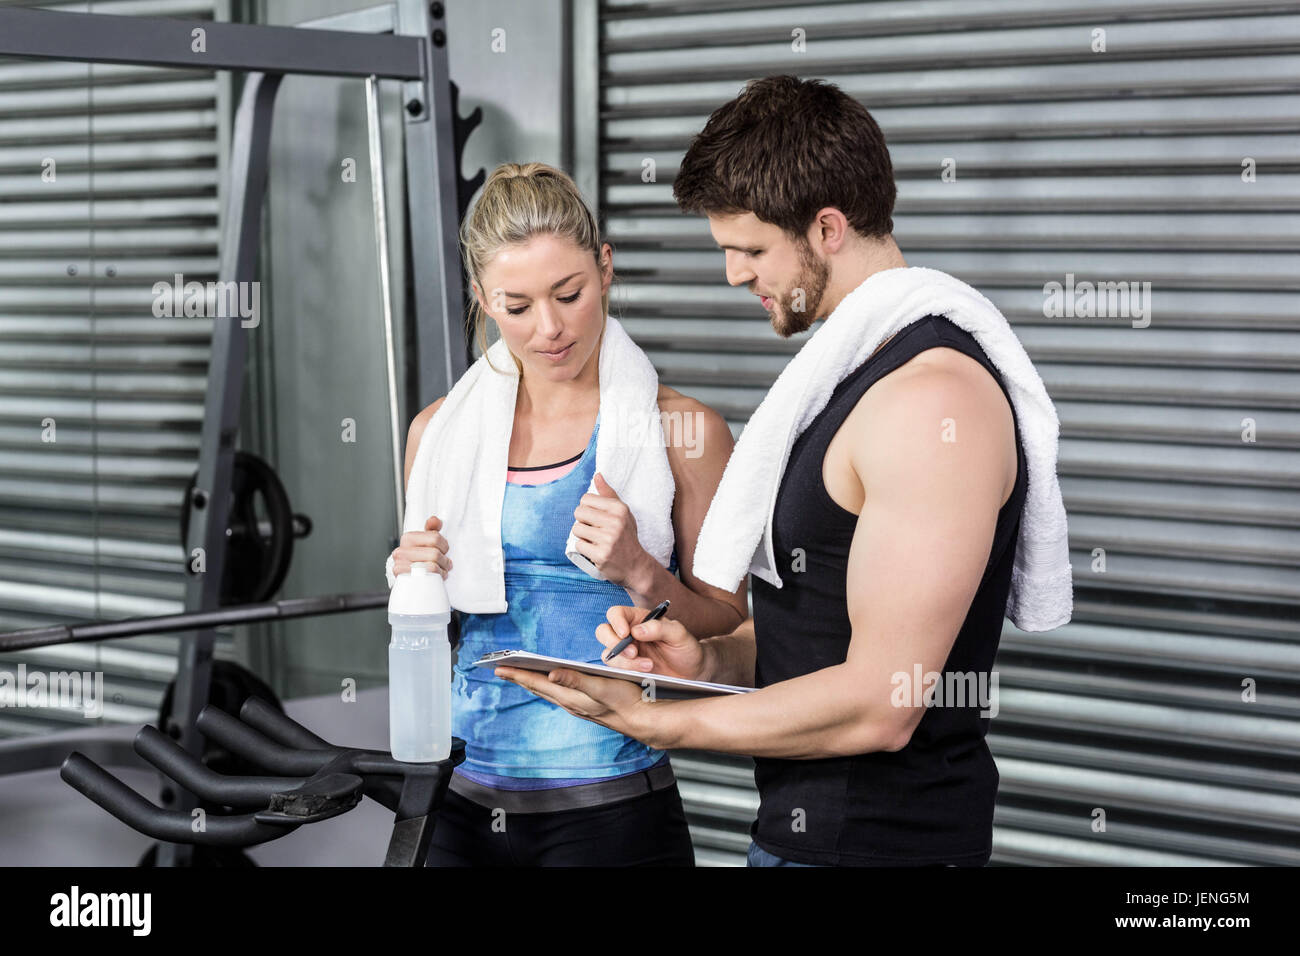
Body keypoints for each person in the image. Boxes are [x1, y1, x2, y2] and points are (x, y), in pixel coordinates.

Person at [496, 76, 1073, 867]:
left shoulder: (930, 401)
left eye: (751, 250)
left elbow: (880, 704)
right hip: (803, 839)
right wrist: (708, 664)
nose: (734, 274)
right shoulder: (846, 383)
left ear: (827, 228)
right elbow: (821, 637)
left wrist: (662, 722)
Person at [388, 162, 747, 866]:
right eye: (517, 306)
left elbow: (733, 628)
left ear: (605, 268)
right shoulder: (437, 436)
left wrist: (642, 572)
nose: (549, 328)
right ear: (482, 299)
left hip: (610, 803)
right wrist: (411, 579)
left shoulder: (685, 430)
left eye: (569, 294)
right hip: (457, 795)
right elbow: (435, 626)